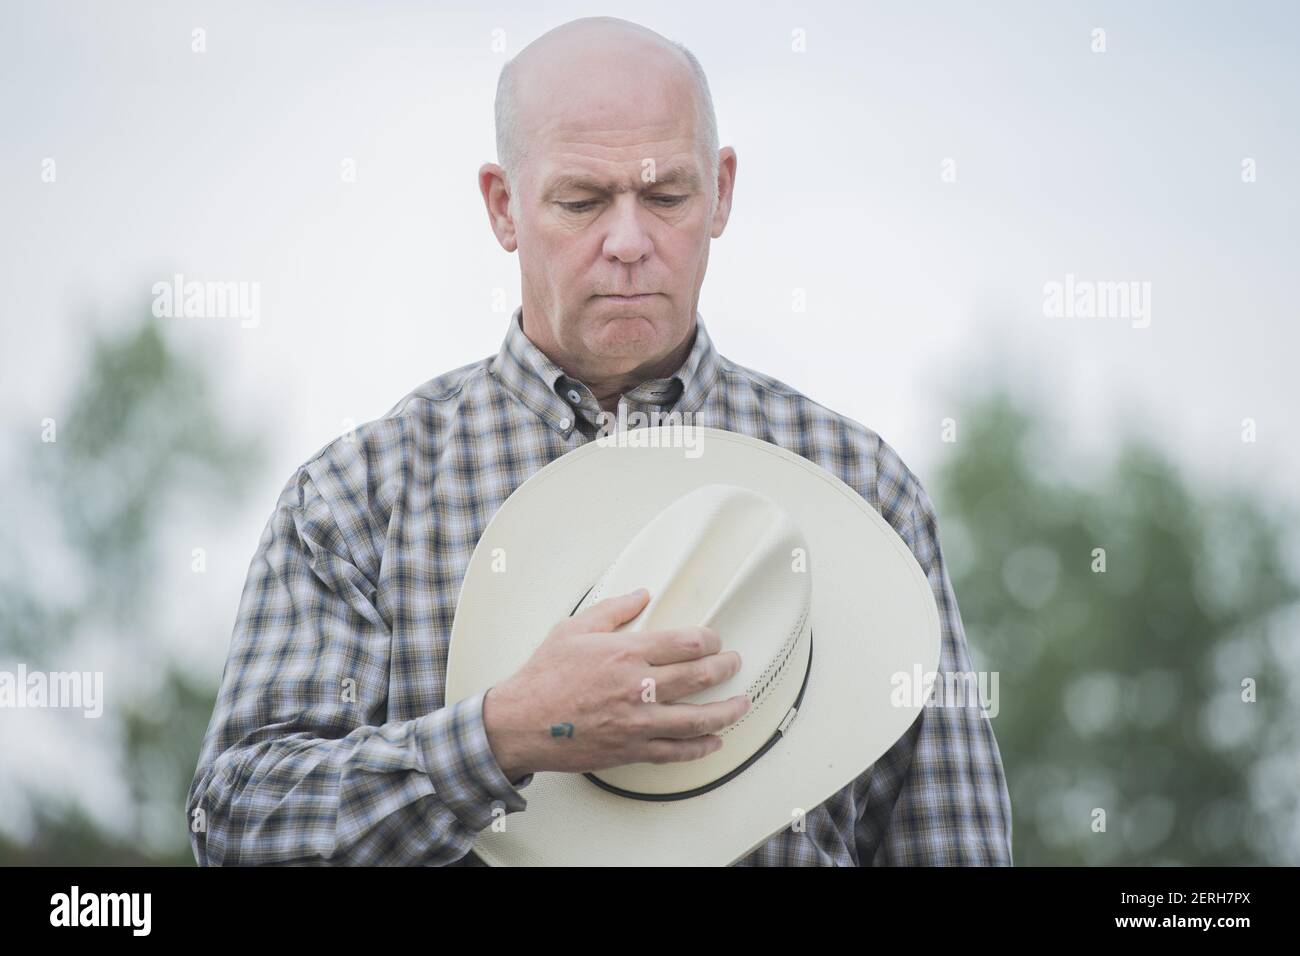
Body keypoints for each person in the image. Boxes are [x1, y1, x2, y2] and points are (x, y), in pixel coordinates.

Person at [186, 15, 1013, 866]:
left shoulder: (864, 490)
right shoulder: (359, 498)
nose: (627, 243)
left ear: (722, 192)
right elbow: (239, 823)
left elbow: (954, 843)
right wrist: (504, 732)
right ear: (504, 206)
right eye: (581, 201)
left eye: (666, 197)